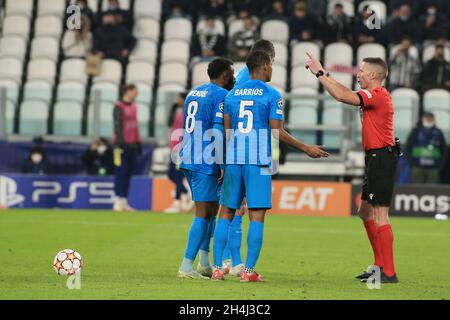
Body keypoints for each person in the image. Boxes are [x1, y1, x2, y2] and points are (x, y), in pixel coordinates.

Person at [211, 50, 328, 282]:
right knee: (257, 215)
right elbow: (277, 132)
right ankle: (248, 272)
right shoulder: (272, 94)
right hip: (258, 160)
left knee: (225, 212)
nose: (272, 69)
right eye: (271, 65)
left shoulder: (231, 95)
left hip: (234, 159)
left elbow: (226, 133)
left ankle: (216, 269)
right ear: (264, 66)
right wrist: (306, 148)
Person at [305, 54, 400, 283]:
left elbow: (342, 95)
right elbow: (343, 91)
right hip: (375, 158)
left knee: (380, 215)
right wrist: (325, 74)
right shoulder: (373, 95)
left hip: (382, 158)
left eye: (362, 71)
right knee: (365, 212)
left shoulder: (377, 94)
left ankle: (388, 272)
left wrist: (319, 73)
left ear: (374, 76)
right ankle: (379, 266)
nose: (358, 74)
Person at [222, 39, 277, 278]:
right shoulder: (253, 83)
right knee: (239, 210)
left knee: (233, 209)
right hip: (248, 154)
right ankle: (233, 261)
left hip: (236, 153)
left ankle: (226, 262)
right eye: (272, 61)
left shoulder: (243, 79)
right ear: (266, 60)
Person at [177, 58, 235, 279]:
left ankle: (204, 263)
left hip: (188, 156)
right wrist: (221, 163)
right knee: (203, 213)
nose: (233, 76)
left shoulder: (194, 92)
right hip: (205, 160)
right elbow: (218, 131)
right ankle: (185, 267)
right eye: (231, 72)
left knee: (210, 211)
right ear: (224, 74)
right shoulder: (222, 95)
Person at [112, 84, 141, 212]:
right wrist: (119, 142)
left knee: (128, 174)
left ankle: (124, 201)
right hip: (120, 146)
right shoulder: (119, 106)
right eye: (134, 92)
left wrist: (138, 142)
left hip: (132, 145)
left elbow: (135, 126)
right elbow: (117, 125)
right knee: (120, 172)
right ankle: (117, 201)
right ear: (127, 91)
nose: (136, 94)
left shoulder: (134, 107)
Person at [165, 93, 192, 213]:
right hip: (174, 147)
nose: (177, 100)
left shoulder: (187, 113)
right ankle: (186, 193)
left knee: (176, 174)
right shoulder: (178, 111)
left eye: (179, 98)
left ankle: (177, 202)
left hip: (180, 148)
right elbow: (170, 124)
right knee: (172, 174)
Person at [406, 112, 447, 184]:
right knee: (415, 189)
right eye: (426, 117)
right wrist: (411, 163)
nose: (428, 119)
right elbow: (408, 147)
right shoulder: (416, 131)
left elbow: (443, 149)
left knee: (432, 189)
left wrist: (440, 164)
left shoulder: (438, 132)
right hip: (417, 167)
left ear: (433, 119)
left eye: (430, 118)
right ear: (423, 119)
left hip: (433, 168)